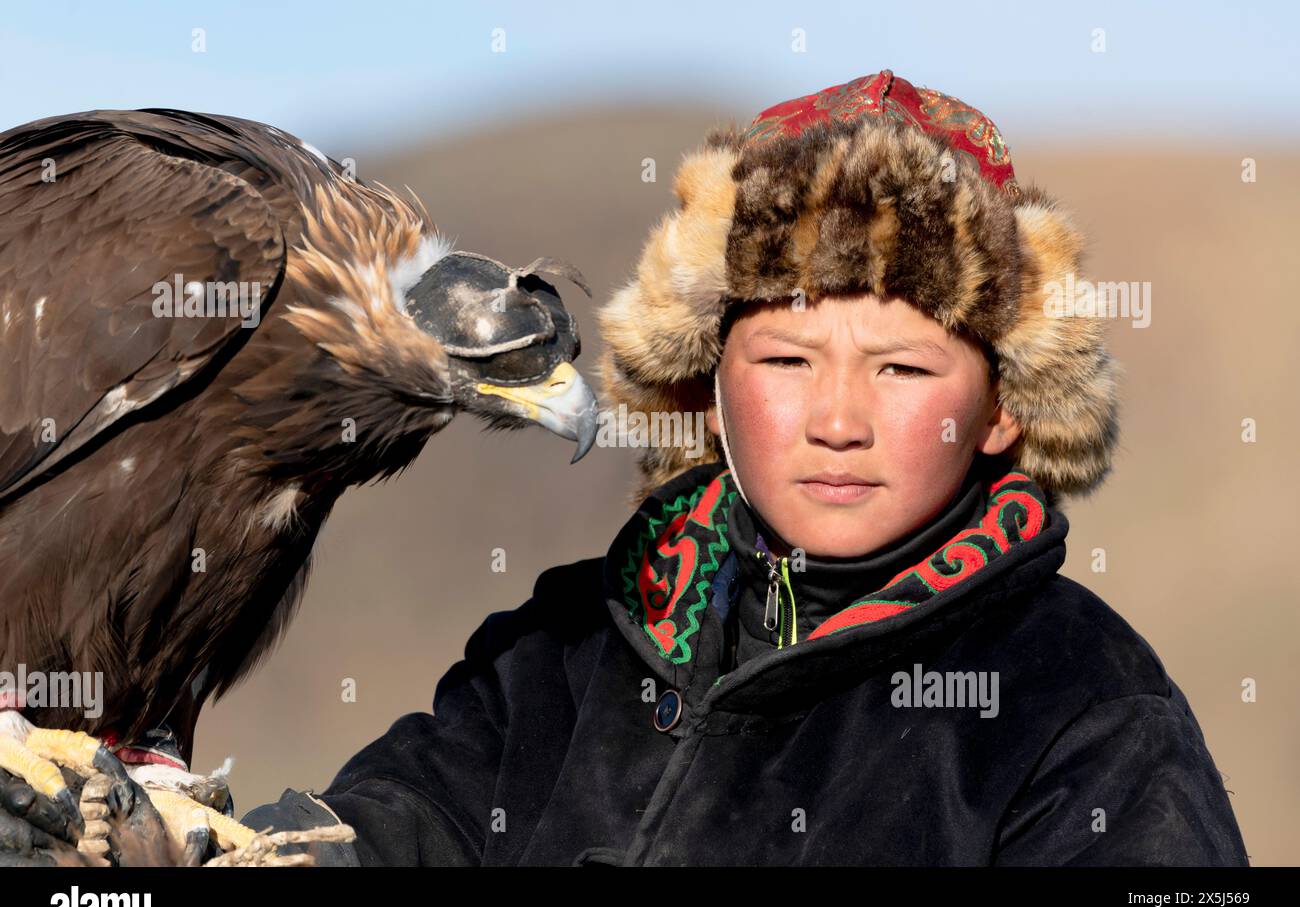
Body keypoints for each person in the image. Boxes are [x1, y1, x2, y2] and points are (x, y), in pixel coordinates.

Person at [1, 68, 1248, 866]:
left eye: (905, 370)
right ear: (704, 386)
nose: (837, 417)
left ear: (1002, 415)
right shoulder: (567, 654)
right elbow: (375, 847)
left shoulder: (1083, 713)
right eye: (786, 357)